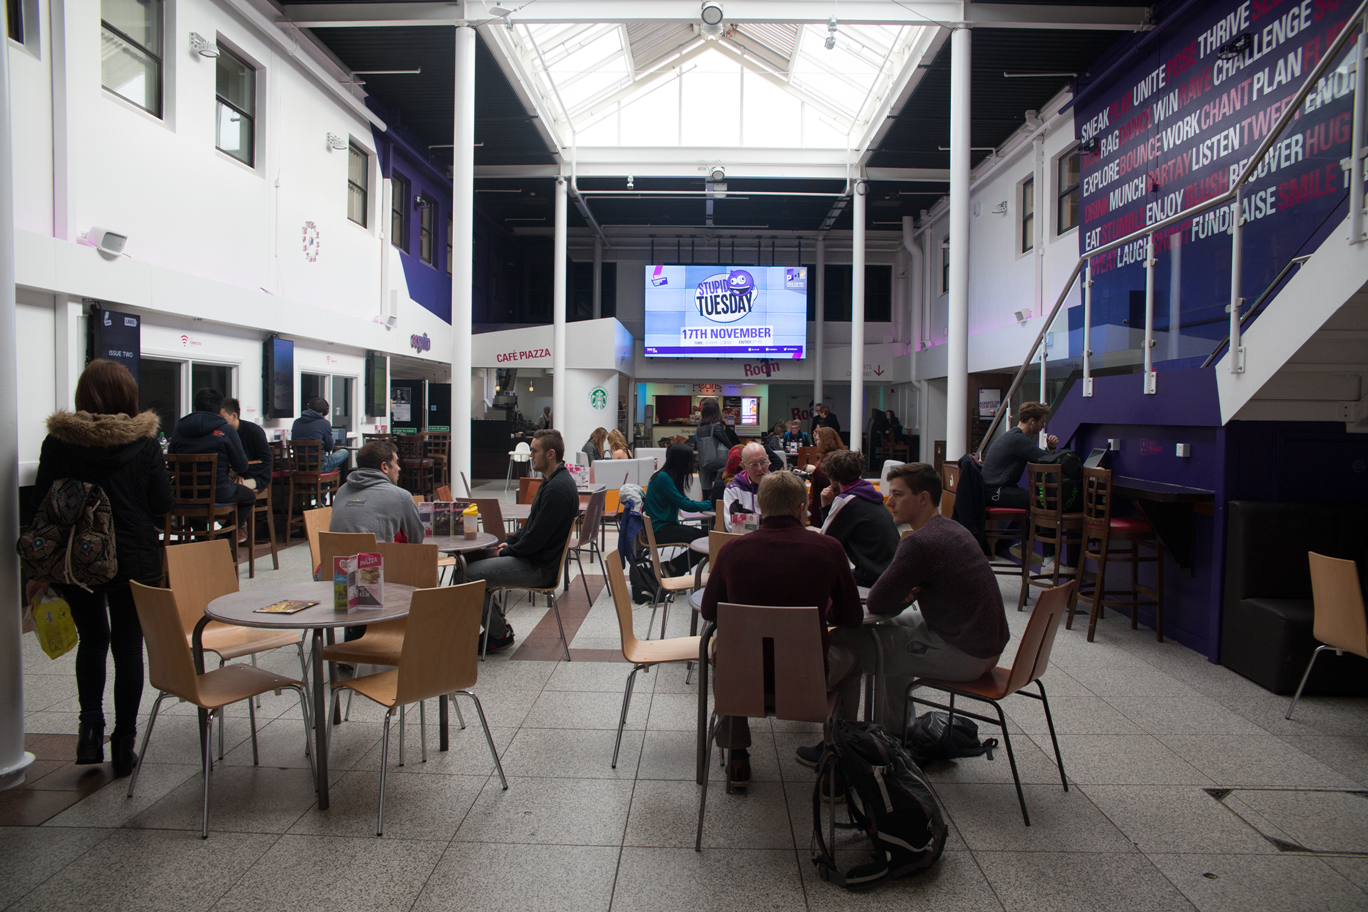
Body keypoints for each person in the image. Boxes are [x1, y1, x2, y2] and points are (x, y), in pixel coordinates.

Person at [28, 360, 172, 777]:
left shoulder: (59, 442)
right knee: (128, 648)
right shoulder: (145, 443)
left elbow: (41, 503)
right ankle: (124, 746)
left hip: (78, 558)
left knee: (93, 640)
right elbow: (162, 503)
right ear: (128, 397)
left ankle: (90, 730)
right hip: (133, 556)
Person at [810, 463, 1009, 755]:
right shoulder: (952, 528)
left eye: (898, 494)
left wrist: (902, 594)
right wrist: (907, 594)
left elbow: (878, 602)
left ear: (923, 498)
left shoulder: (919, 542)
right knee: (892, 630)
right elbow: (893, 601)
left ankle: (843, 745)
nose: (888, 502)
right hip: (982, 643)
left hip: (964, 653)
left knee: (847, 643)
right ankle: (896, 731)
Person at [701, 471, 862, 790]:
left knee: (730, 653)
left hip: (743, 682)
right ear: (802, 507)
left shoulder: (733, 551)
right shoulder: (828, 549)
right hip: (808, 678)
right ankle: (838, 757)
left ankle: (736, 755)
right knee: (855, 660)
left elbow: (709, 611)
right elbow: (852, 617)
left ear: (760, 505)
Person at [465, 429, 579, 653]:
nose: (531, 456)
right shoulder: (551, 481)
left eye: (535, 451)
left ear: (550, 454)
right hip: (532, 558)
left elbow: (535, 541)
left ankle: (498, 634)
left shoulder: (557, 489)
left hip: (539, 568)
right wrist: (510, 542)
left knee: (468, 573)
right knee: (470, 557)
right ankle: (496, 628)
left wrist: (506, 552)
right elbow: (531, 528)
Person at [981, 400, 1077, 570]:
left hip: (994, 491)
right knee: (1042, 502)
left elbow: (1043, 459)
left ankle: (1025, 544)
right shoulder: (1018, 439)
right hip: (997, 492)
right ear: (1032, 421)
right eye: (1041, 422)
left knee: (1037, 500)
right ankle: (1048, 559)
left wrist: (1050, 450)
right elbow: (1043, 459)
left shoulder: (1013, 436)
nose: (1042, 427)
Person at [169, 387, 255, 542]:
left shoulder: (179, 429)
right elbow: (242, 466)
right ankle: (223, 538)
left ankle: (201, 538)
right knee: (249, 496)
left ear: (194, 408)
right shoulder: (226, 430)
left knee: (196, 498)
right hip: (218, 492)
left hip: (183, 495)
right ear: (220, 410)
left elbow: (170, 464)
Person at [817, 449, 899, 587]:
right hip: (890, 571)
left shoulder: (846, 500)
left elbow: (825, 541)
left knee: (820, 579)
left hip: (872, 577)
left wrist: (825, 507)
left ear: (835, 479)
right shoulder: (868, 492)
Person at [330, 439, 425, 545]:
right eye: (396, 463)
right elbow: (417, 540)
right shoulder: (401, 496)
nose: (399, 468)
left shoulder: (342, 490)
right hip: (374, 560)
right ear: (384, 467)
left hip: (335, 560)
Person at [643, 442, 713, 572]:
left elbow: (685, 501)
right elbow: (685, 504)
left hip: (663, 527)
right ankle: (673, 568)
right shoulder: (664, 478)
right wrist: (711, 504)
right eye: (691, 461)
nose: (693, 464)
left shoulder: (667, 477)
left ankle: (673, 568)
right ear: (682, 461)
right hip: (660, 530)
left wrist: (706, 504)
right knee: (706, 541)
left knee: (706, 539)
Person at [220, 396, 271, 489]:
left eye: (222, 417)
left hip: (256, 476)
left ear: (234, 416)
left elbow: (266, 459)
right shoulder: (221, 432)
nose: (218, 421)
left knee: (232, 488)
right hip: (231, 473)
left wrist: (244, 474)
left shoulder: (253, 431)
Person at [291, 396, 350, 474]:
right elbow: (329, 447)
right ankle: (328, 484)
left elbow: (292, 446)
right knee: (344, 452)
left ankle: (319, 485)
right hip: (319, 467)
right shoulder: (324, 423)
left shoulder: (296, 422)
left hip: (299, 467)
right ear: (325, 411)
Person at [721, 442, 769, 531]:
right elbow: (732, 527)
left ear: (768, 460)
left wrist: (750, 520)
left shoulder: (778, 486)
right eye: (753, 464)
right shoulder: (733, 490)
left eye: (763, 462)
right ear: (744, 466)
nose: (759, 468)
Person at [805, 426, 847, 526]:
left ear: (825, 441)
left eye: (818, 439)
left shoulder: (831, 458)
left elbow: (829, 480)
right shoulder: (831, 455)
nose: (816, 442)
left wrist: (814, 471)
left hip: (827, 501)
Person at [695, 398, 738, 493]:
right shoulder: (716, 425)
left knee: (706, 492)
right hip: (717, 464)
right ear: (716, 410)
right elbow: (728, 444)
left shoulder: (700, 427)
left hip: (704, 464)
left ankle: (705, 508)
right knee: (717, 492)